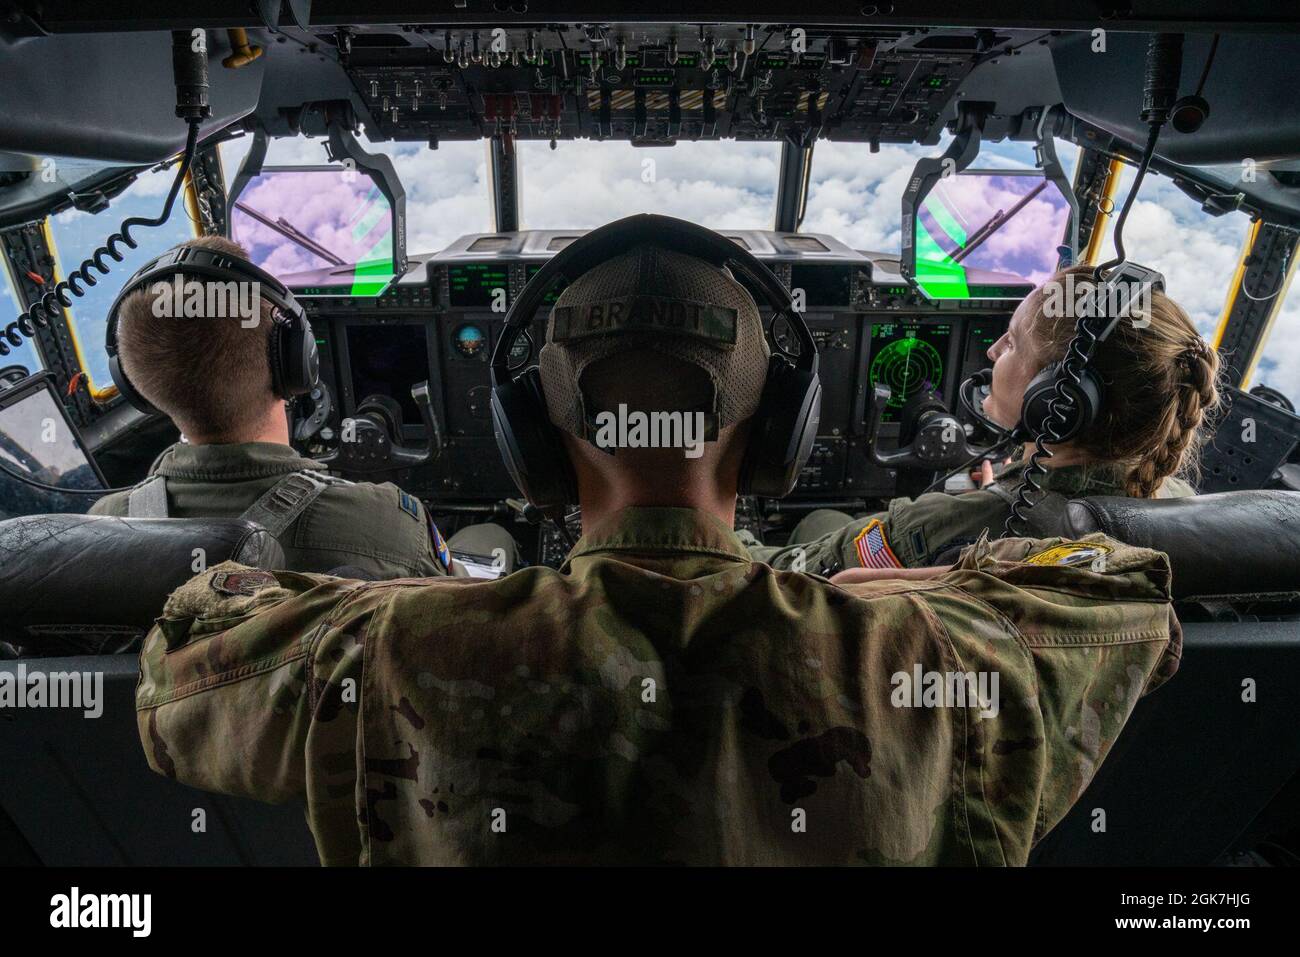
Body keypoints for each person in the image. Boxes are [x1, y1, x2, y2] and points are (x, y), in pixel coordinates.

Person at [135, 232, 1180, 866]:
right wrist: (893, 591)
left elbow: (183, 653)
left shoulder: (381, 652)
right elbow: (1119, 589)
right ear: (782, 434)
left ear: (531, 441)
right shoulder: (936, 653)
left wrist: (439, 596)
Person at [745, 263, 1220, 575]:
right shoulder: (1185, 510)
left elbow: (782, 574)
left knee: (821, 521)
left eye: (1012, 343)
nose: (993, 351)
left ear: (1059, 398)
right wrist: (1006, 490)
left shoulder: (945, 526)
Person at [91, 235, 515, 580]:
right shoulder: (388, 526)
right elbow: (460, 601)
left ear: (137, 387)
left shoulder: (101, 530)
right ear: (297, 362)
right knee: (492, 534)